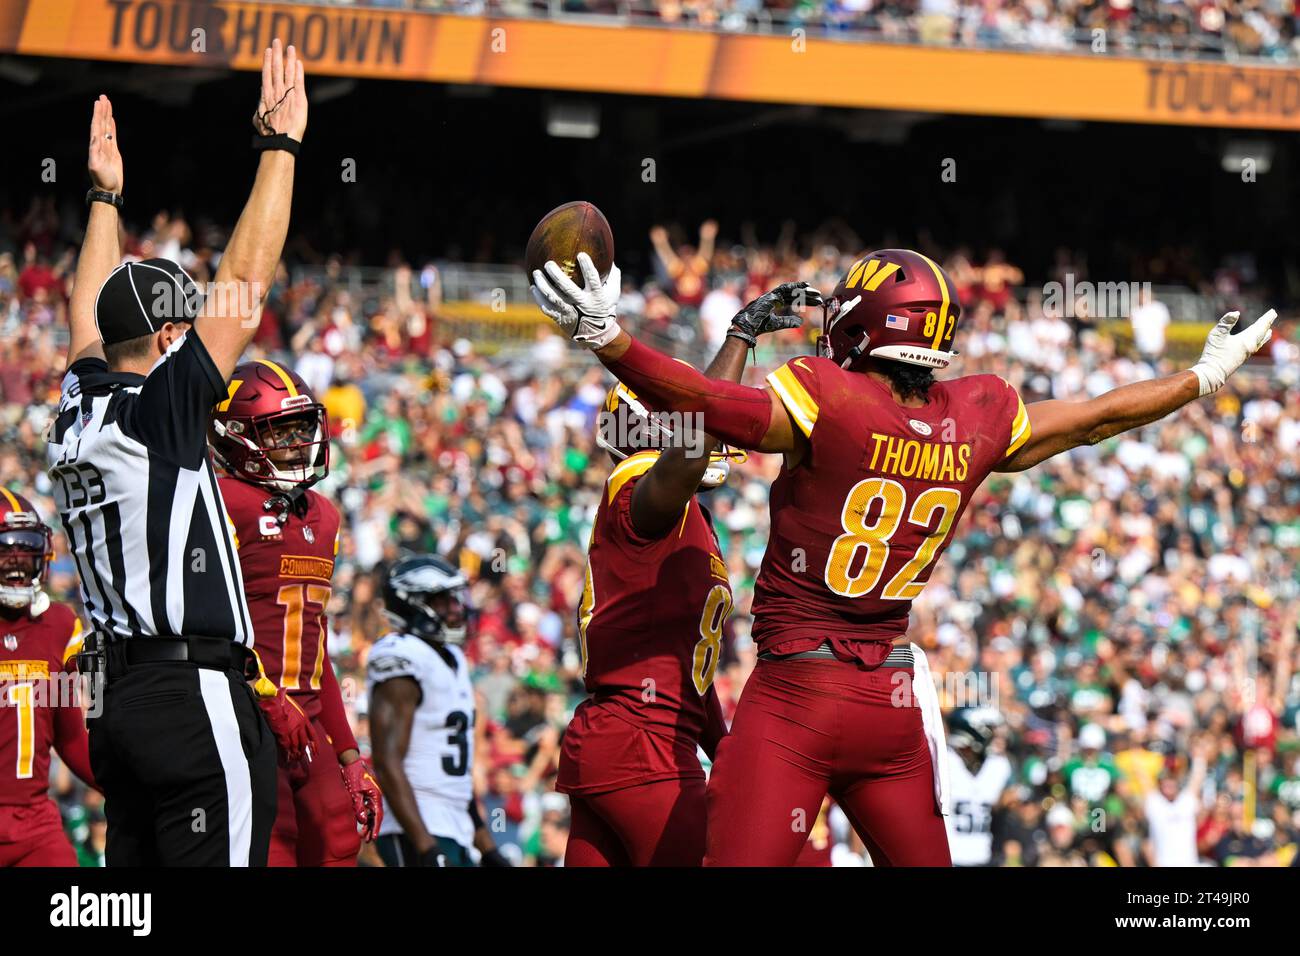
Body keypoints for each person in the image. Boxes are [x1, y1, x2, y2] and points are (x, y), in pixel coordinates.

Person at [531, 247, 1274, 866]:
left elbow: (705, 407)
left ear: (859, 326)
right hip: (889, 705)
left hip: (797, 697)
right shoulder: (977, 414)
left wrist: (606, 340)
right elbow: (1095, 418)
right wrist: (1199, 380)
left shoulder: (829, 399)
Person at [44, 40, 308, 865]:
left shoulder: (78, 406)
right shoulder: (154, 415)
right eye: (182, 329)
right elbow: (244, 281)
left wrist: (101, 199)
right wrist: (280, 150)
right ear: (163, 336)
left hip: (121, 706)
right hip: (193, 693)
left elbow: (90, 319)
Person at [559, 284, 811, 866]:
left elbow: (688, 673)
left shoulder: (687, 515)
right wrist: (738, 340)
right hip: (641, 744)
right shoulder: (638, 488)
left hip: (623, 737)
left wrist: (720, 746)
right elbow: (698, 426)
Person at [210, 359, 383, 866]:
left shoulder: (323, 515)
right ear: (235, 435)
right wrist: (264, 693)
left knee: (338, 845)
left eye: (301, 427)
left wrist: (350, 753)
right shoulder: (223, 502)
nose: (297, 443)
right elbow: (201, 621)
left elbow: (317, 645)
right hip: (242, 717)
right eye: (279, 431)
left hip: (308, 721)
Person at [367, 555, 509, 867]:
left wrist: (487, 847)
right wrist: (425, 847)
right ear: (413, 603)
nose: (455, 608)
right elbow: (387, 761)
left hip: (454, 826)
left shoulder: (454, 659)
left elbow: (455, 777)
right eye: (442, 600)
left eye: (454, 598)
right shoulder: (401, 655)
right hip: (417, 826)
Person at [0, 490, 96, 866]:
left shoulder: (58, 624)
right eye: (7, 549)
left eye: (26, 548)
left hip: (35, 820)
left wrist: (123, 787)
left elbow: (71, 735)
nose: (18, 562)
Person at [945, 708, 1012, 867]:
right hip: (950, 858)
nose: (998, 739)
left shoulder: (998, 766)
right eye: (991, 731)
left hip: (983, 857)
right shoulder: (945, 762)